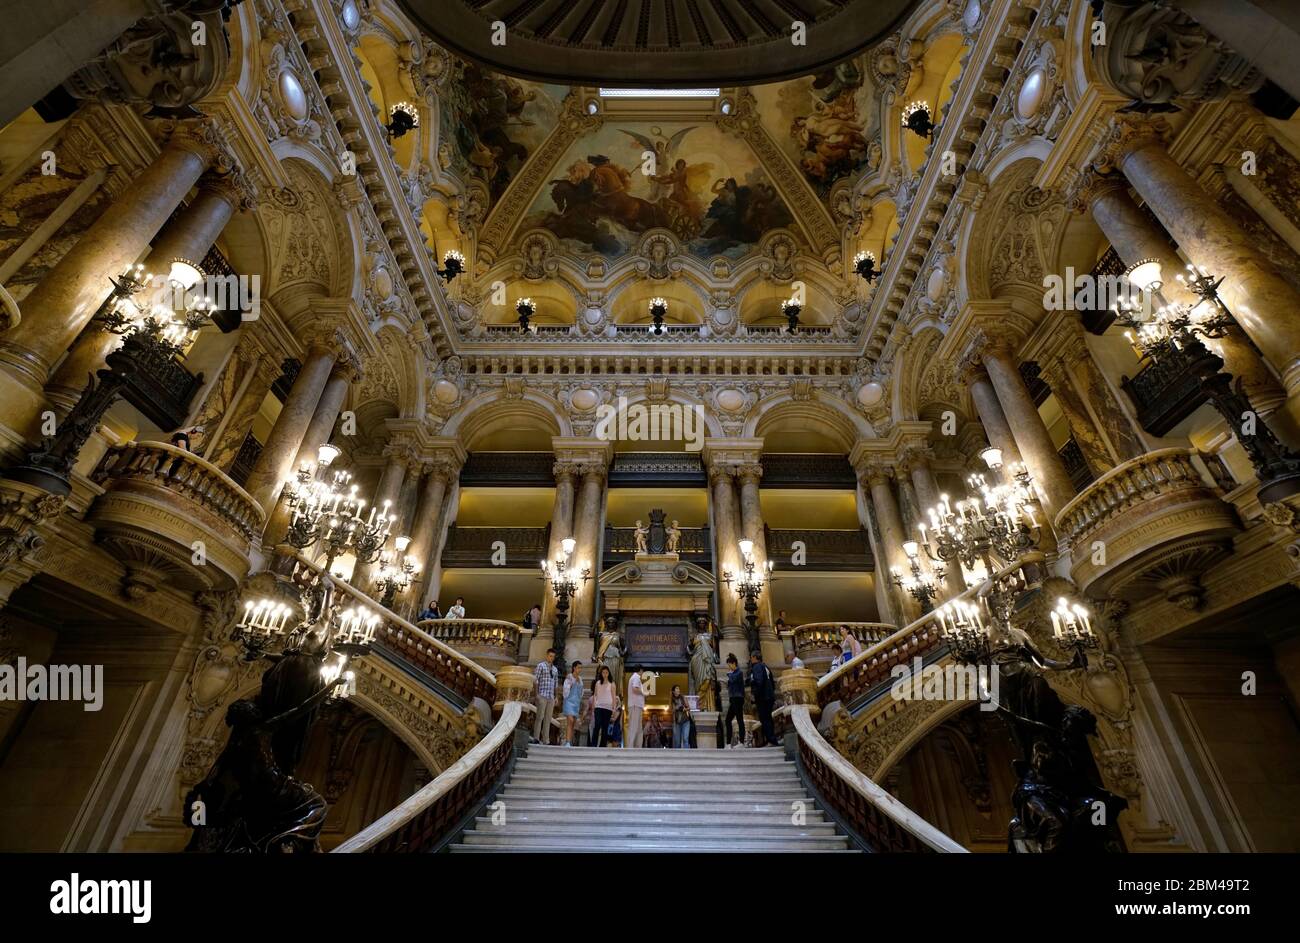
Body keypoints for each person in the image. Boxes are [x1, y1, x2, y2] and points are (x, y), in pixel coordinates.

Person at [750, 651, 778, 747]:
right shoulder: (765, 666)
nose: (751, 659)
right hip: (769, 696)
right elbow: (772, 682)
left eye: (751, 657)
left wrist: (754, 694)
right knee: (768, 718)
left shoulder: (757, 667)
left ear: (754, 657)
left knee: (765, 719)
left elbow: (759, 681)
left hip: (762, 697)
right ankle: (772, 740)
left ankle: (771, 740)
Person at [531, 648, 558, 744]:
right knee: (540, 717)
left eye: (553, 657)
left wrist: (556, 697)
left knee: (548, 719)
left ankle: (546, 739)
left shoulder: (555, 669)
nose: (551, 658)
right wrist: (536, 694)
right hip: (542, 694)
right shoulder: (541, 666)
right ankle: (536, 738)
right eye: (550, 656)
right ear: (547, 656)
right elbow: (535, 680)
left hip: (550, 697)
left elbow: (555, 684)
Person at [591, 665, 618, 748]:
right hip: (598, 707)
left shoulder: (612, 684)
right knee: (597, 724)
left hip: (608, 708)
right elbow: (595, 695)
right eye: (603, 672)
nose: (605, 674)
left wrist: (614, 709)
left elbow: (614, 697)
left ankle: (602, 745)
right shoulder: (598, 683)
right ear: (601, 673)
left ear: (608, 673)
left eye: (606, 672)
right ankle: (594, 745)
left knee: (605, 727)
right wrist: (594, 705)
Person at [724, 653, 745, 748]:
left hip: (738, 698)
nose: (728, 667)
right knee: (728, 720)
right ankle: (728, 744)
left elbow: (732, 680)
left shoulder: (739, 673)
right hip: (733, 699)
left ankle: (741, 742)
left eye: (729, 665)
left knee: (740, 720)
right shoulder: (733, 673)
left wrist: (729, 675)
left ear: (734, 663)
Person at [561, 660, 583, 747]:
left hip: (576, 703)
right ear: (574, 668)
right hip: (569, 702)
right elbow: (565, 690)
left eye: (581, 668)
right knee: (570, 720)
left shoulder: (580, 679)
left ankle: (569, 741)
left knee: (573, 722)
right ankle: (567, 742)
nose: (580, 669)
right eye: (578, 668)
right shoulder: (569, 677)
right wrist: (572, 683)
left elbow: (581, 692)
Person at [626, 664, 646, 748]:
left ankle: (637, 746)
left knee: (638, 727)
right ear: (640, 670)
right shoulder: (636, 677)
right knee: (634, 727)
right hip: (635, 705)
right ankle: (631, 747)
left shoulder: (634, 677)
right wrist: (643, 692)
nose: (643, 673)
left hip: (636, 705)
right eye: (642, 671)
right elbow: (635, 689)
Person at [671, 684, 691, 749]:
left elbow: (689, 708)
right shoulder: (671, 700)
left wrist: (684, 709)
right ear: (673, 691)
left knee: (685, 738)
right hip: (677, 722)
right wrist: (676, 708)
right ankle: (677, 756)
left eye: (678, 688)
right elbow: (671, 710)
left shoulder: (683, 697)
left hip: (685, 721)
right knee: (677, 741)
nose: (678, 690)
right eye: (676, 688)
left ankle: (687, 755)